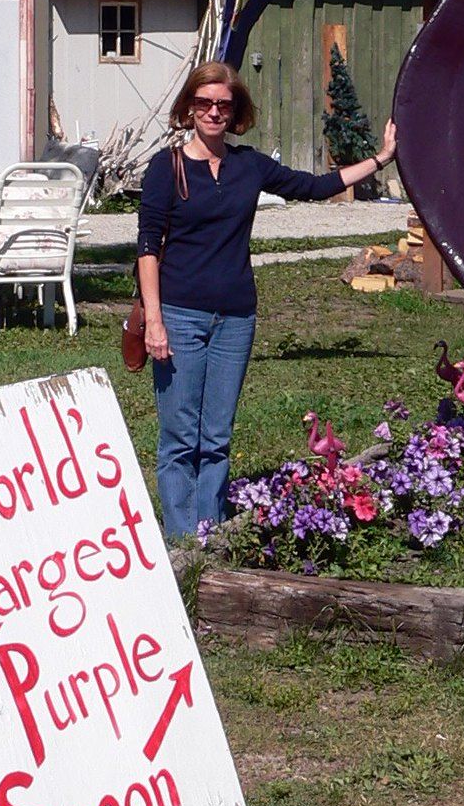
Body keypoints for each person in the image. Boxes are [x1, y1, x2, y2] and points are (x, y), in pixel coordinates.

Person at [137, 59, 398, 540]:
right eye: (203, 103)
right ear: (189, 108)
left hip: (236, 319)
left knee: (215, 437)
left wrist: (381, 158)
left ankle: (208, 538)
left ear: (234, 111)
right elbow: (148, 246)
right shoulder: (165, 168)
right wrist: (154, 320)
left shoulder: (248, 166)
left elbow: (315, 187)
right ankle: (180, 544)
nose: (213, 112)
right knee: (179, 438)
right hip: (179, 316)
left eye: (223, 104)